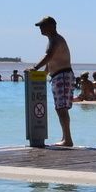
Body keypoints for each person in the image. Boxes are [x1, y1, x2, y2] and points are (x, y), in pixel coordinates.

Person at [31, 16, 74, 147]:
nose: (40, 29)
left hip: (63, 76)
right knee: (60, 108)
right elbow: (51, 60)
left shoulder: (55, 39)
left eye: (42, 26)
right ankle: (65, 138)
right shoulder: (52, 39)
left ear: (52, 26)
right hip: (58, 76)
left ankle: (68, 139)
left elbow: (48, 56)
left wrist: (34, 68)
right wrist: (43, 74)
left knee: (62, 108)